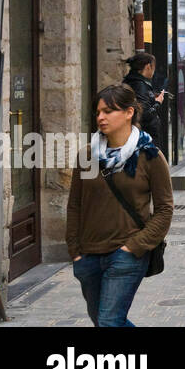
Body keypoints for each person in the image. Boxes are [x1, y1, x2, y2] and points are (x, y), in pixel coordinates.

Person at [67, 84, 173, 327]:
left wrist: (134, 246)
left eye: (108, 111)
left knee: (108, 321)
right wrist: (75, 250)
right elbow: (75, 205)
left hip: (127, 253)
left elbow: (165, 208)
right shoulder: (87, 156)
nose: (101, 117)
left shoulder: (149, 155)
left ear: (129, 113)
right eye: (98, 112)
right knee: (104, 321)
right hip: (88, 255)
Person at [121, 52, 165, 142]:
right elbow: (144, 113)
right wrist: (158, 102)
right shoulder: (139, 84)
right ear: (148, 66)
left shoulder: (132, 81)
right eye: (153, 67)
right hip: (146, 135)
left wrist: (152, 98)